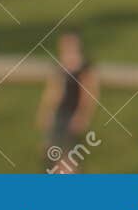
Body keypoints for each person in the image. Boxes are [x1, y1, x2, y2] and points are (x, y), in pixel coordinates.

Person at [36, 32, 98, 173]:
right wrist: (46, 111)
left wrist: (82, 115)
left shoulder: (84, 67)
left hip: (72, 114)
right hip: (59, 114)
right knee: (50, 151)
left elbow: (88, 93)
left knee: (69, 154)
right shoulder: (59, 66)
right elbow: (53, 91)